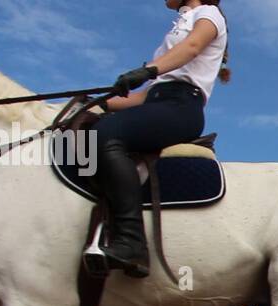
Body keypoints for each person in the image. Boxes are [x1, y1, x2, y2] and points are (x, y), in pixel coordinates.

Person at [89, 0, 230, 278]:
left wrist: (148, 70)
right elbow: (143, 97)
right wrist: (97, 104)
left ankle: (132, 243)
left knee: (105, 135)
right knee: (93, 127)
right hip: (156, 103)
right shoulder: (177, 29)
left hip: (181, 108)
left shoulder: (209, 14)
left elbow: (191, 48)